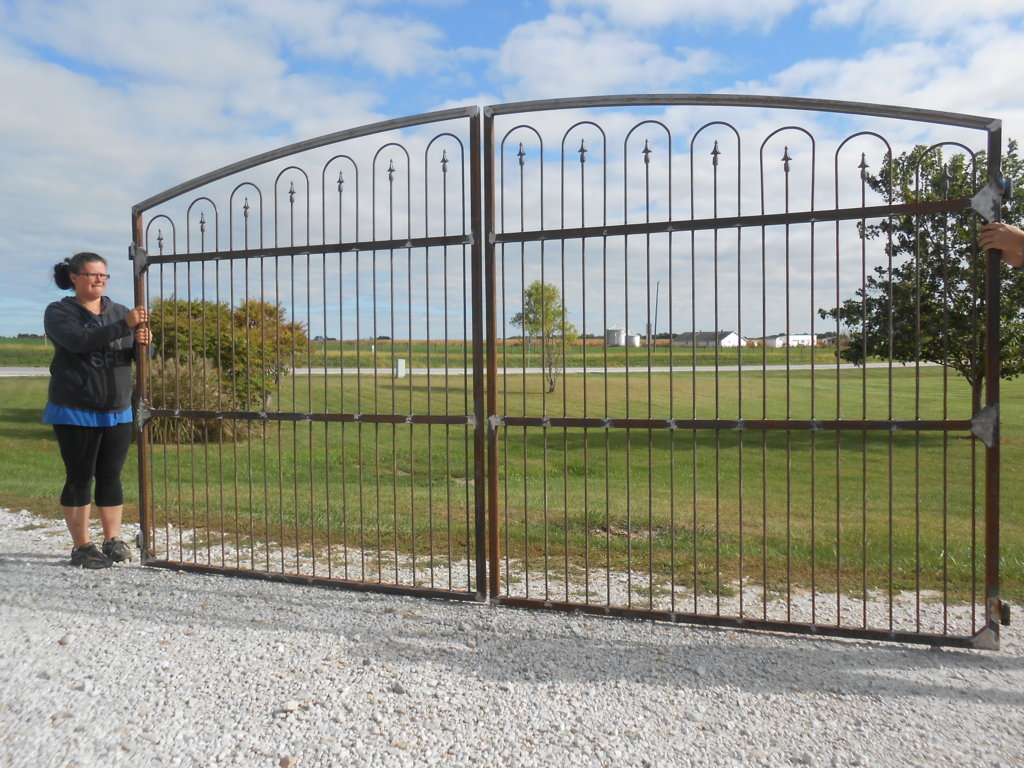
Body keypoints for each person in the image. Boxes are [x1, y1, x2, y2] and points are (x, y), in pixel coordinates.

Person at [44, 252, 151, 569]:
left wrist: (144, 342)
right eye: (92, 275)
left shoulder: (118, 311)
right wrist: (125, 325)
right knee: (79, 477)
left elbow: (132, 352)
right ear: (75, 278)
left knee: (111, 476)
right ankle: (81, 547)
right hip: (75, 408)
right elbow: (80, 341)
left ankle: (112, 539)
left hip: (117, 408)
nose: (99, 280)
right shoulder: (60, 313)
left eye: (103, 275)